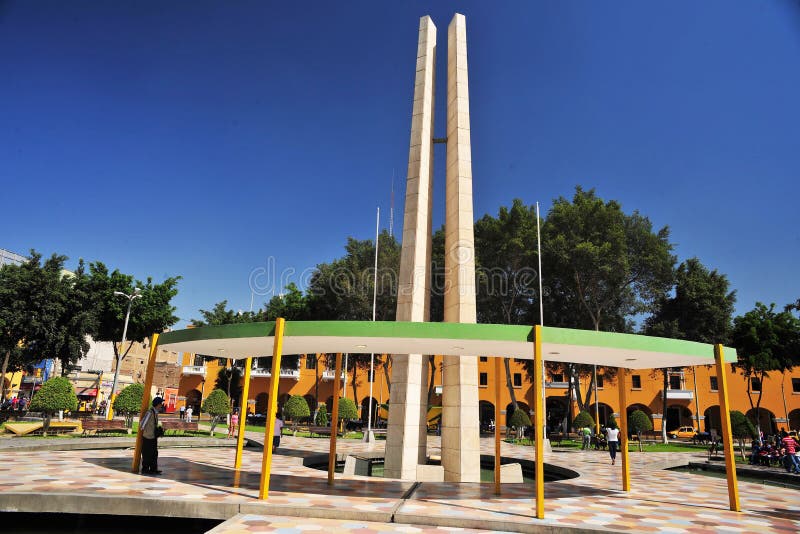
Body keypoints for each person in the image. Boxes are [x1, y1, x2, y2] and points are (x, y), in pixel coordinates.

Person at [140, 397, 165, 475]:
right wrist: (148, 430)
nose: (162, 405)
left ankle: (153, 469)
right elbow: (142, 424)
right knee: (147, 454)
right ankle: (145, 469)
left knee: (154, 453)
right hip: (148, 437)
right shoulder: (150, 412)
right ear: (157, 404)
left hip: (153, 436)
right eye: (161, 403)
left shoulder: (155, 413)